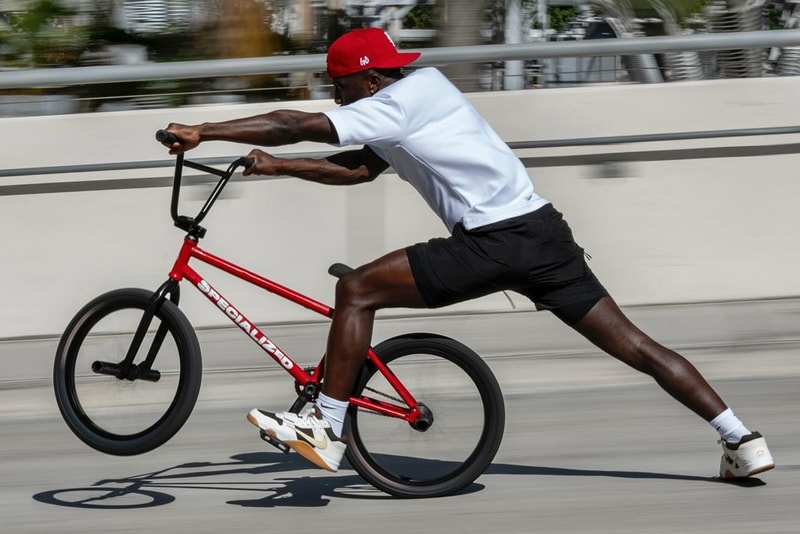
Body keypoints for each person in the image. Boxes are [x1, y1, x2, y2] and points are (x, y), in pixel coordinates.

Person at [161, 28, 774, 479]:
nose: (335, 91)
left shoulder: (394, 104)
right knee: (636, 345)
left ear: (369, 78)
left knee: (357, 290)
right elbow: (359, 170)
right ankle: (740, 440)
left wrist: (206, 131)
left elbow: (295, 121)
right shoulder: (410, 99)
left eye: (340, 82)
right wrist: (279, 169)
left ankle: (323, 425)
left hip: (497, 241)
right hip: (542, 235)